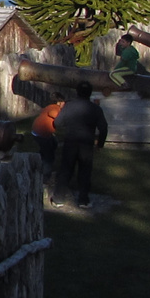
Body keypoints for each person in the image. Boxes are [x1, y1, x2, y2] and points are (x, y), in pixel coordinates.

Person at [52, 81, 108, 209]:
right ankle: (83, 200)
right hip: (86, 143)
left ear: (77, 92)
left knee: (66, 170)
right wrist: (100, 144)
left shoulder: (69, 106)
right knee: (85, 171)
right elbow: (103, 128)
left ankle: (58, 198)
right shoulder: (95, 108)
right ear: (90, 93)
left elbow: (58, 123)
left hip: (70, 141)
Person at [28, 95, 63, 180]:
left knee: (53, 143)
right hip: (42, 134)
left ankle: (38, 163)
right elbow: (54, 115)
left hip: (38, 132)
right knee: (49, 156)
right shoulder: (55, 108)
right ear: (59, 102)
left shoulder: (48, 107)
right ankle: (45, 176)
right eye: (63, 102)